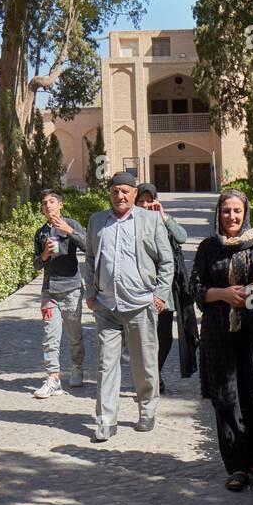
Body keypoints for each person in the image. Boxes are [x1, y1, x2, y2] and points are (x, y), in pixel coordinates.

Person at [190, 187, 253, 491]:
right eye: (225, 211)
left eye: (236, 211)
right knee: (226, 399)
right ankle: (237, 467)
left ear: (245, 214)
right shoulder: (209, 247)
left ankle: (250, 455)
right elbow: (195, 287)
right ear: (217, 214)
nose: (231, 216)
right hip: (218, 334)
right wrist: (224, 294)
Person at [84, 171, 174, 442]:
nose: (120, 196)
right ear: (109, 193)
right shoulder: (97, 221)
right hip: (107, 307)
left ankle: (146, 410)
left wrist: (159, 294)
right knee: (105, 365)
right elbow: (89, 259)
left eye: (125, 191)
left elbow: (167, 261)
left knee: (144, 363)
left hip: (140, 305)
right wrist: (90, 292)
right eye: (115, 191)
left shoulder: (149, 220)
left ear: (135, 194)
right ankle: (106, 420)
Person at [135, 182, 198, 391]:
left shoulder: (162, 221)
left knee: (164, 336)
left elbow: (182, 237)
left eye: (149, 200)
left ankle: (156, 373)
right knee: (144, 337)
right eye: (141, 201)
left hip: (165, 289)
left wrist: (163, 215)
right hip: (139, 289)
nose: (145, 205)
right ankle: (148, 377)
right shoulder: (130, 222)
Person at [31, 187, 87, 398]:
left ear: (60, 205)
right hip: (49, 292)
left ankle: (77, 366)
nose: (48, 206)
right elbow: (36, 264)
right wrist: (44, 253)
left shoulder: (71, 224)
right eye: (45, 203)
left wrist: (68, 230)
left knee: (74, 335)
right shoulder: (41, 233)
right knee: (50, 336)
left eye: (52, 202)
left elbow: (89, 247)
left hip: (71, 288)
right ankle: (53, 378)